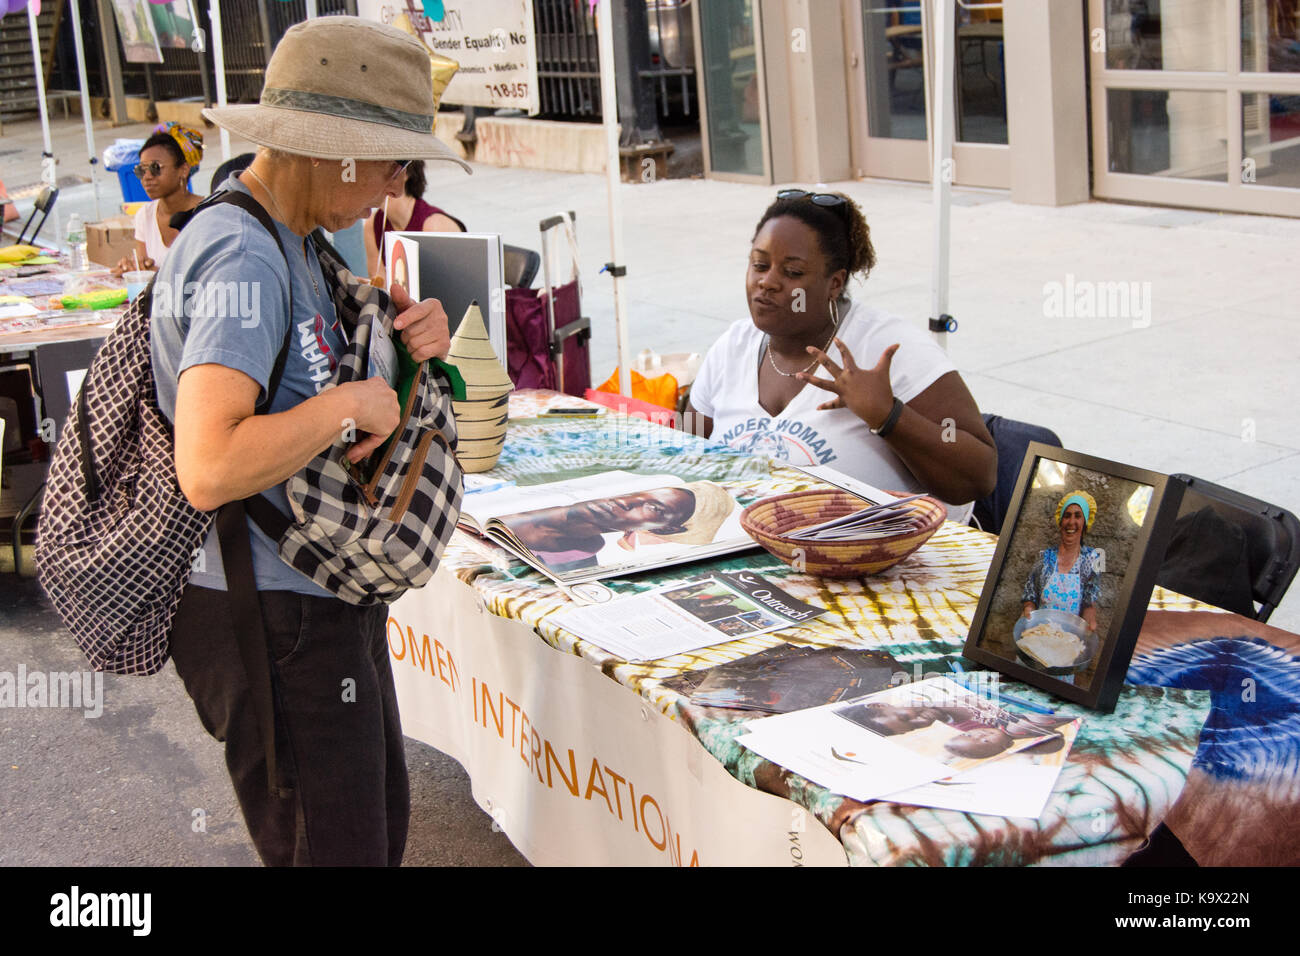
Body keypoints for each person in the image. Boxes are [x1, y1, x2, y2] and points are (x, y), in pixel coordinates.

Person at [152, 16, 471, 866]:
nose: (399, 179)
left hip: (316, 590)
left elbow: (318, 367)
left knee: (365, 834)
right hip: (271, 608)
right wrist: (351, 405)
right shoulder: (243, 257)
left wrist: (405, 343)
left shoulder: (294, 237)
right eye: (391, 158)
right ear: (332, 147)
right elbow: (209, 464)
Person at [685, 189, 996, 510]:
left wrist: (888, 416)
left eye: (792, 272)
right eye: (760, 265)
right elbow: (687, 449)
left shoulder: (889, 349)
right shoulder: (730, 348)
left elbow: (979, 477)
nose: (768, 282)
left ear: (835, 283)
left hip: (880, 552)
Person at [499, 482, 734, 572]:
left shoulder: (577, 565)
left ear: (665, 529)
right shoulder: (520, 497)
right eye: (649, 492)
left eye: (655, 508)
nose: (626, 501)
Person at [113, 130, 203, 276]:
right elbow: (144, 268)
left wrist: (158, 275)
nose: (147, 177)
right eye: (141, 170)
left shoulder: (207, 213)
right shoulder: (145, 215)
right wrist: (133, 268)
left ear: (183, 170)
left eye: (156, 168)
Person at [364, 159, 466, 280]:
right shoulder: (373, 224)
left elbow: (451, 286)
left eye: (377, 168)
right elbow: (378, 283)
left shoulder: (435, 227)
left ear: (403, 173)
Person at [1022, 490, 1102, 632]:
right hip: (1039, 634)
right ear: (1060, 521)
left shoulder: (1093, 558)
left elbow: (1089, 604)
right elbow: (1030, 596)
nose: (1071, 522)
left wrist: (1090, 621)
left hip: (1067, 640)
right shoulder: (1044, 557)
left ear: (1085, 523)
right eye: (1067, 516)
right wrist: (1028, 609)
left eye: (1078, 516)